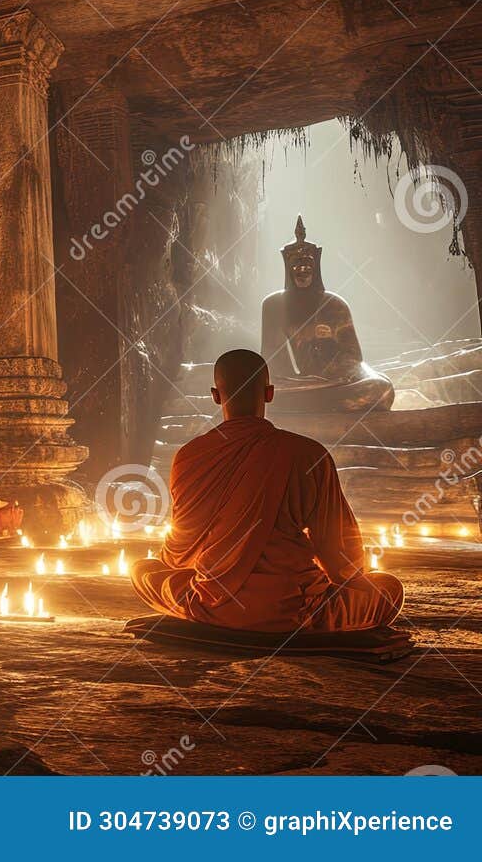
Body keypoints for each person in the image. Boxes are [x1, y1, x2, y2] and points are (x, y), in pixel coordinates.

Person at [130, 348, 402, 632]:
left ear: (216, 396)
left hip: (212, 607)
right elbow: (340, 556)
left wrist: (216, 569)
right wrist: (354, 578)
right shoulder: (308, 454)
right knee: (388, 588)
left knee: (143, 571)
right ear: (269, 393)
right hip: (297, 613)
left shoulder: (190, 456)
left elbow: (178, 552)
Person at [260, 216, 395, 412]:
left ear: (316, 269)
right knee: (265, 393)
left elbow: (354, 359)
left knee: (381, 389)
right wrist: (305, 337)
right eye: (296, 267)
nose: (303, 271)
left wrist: (328, 344)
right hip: (295, 384)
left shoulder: (335, 305)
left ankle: (308, 404)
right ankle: (312, 403)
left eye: (307, 266)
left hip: (337, 379)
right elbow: (271, 361)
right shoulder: (273, 305)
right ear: (288, 269)